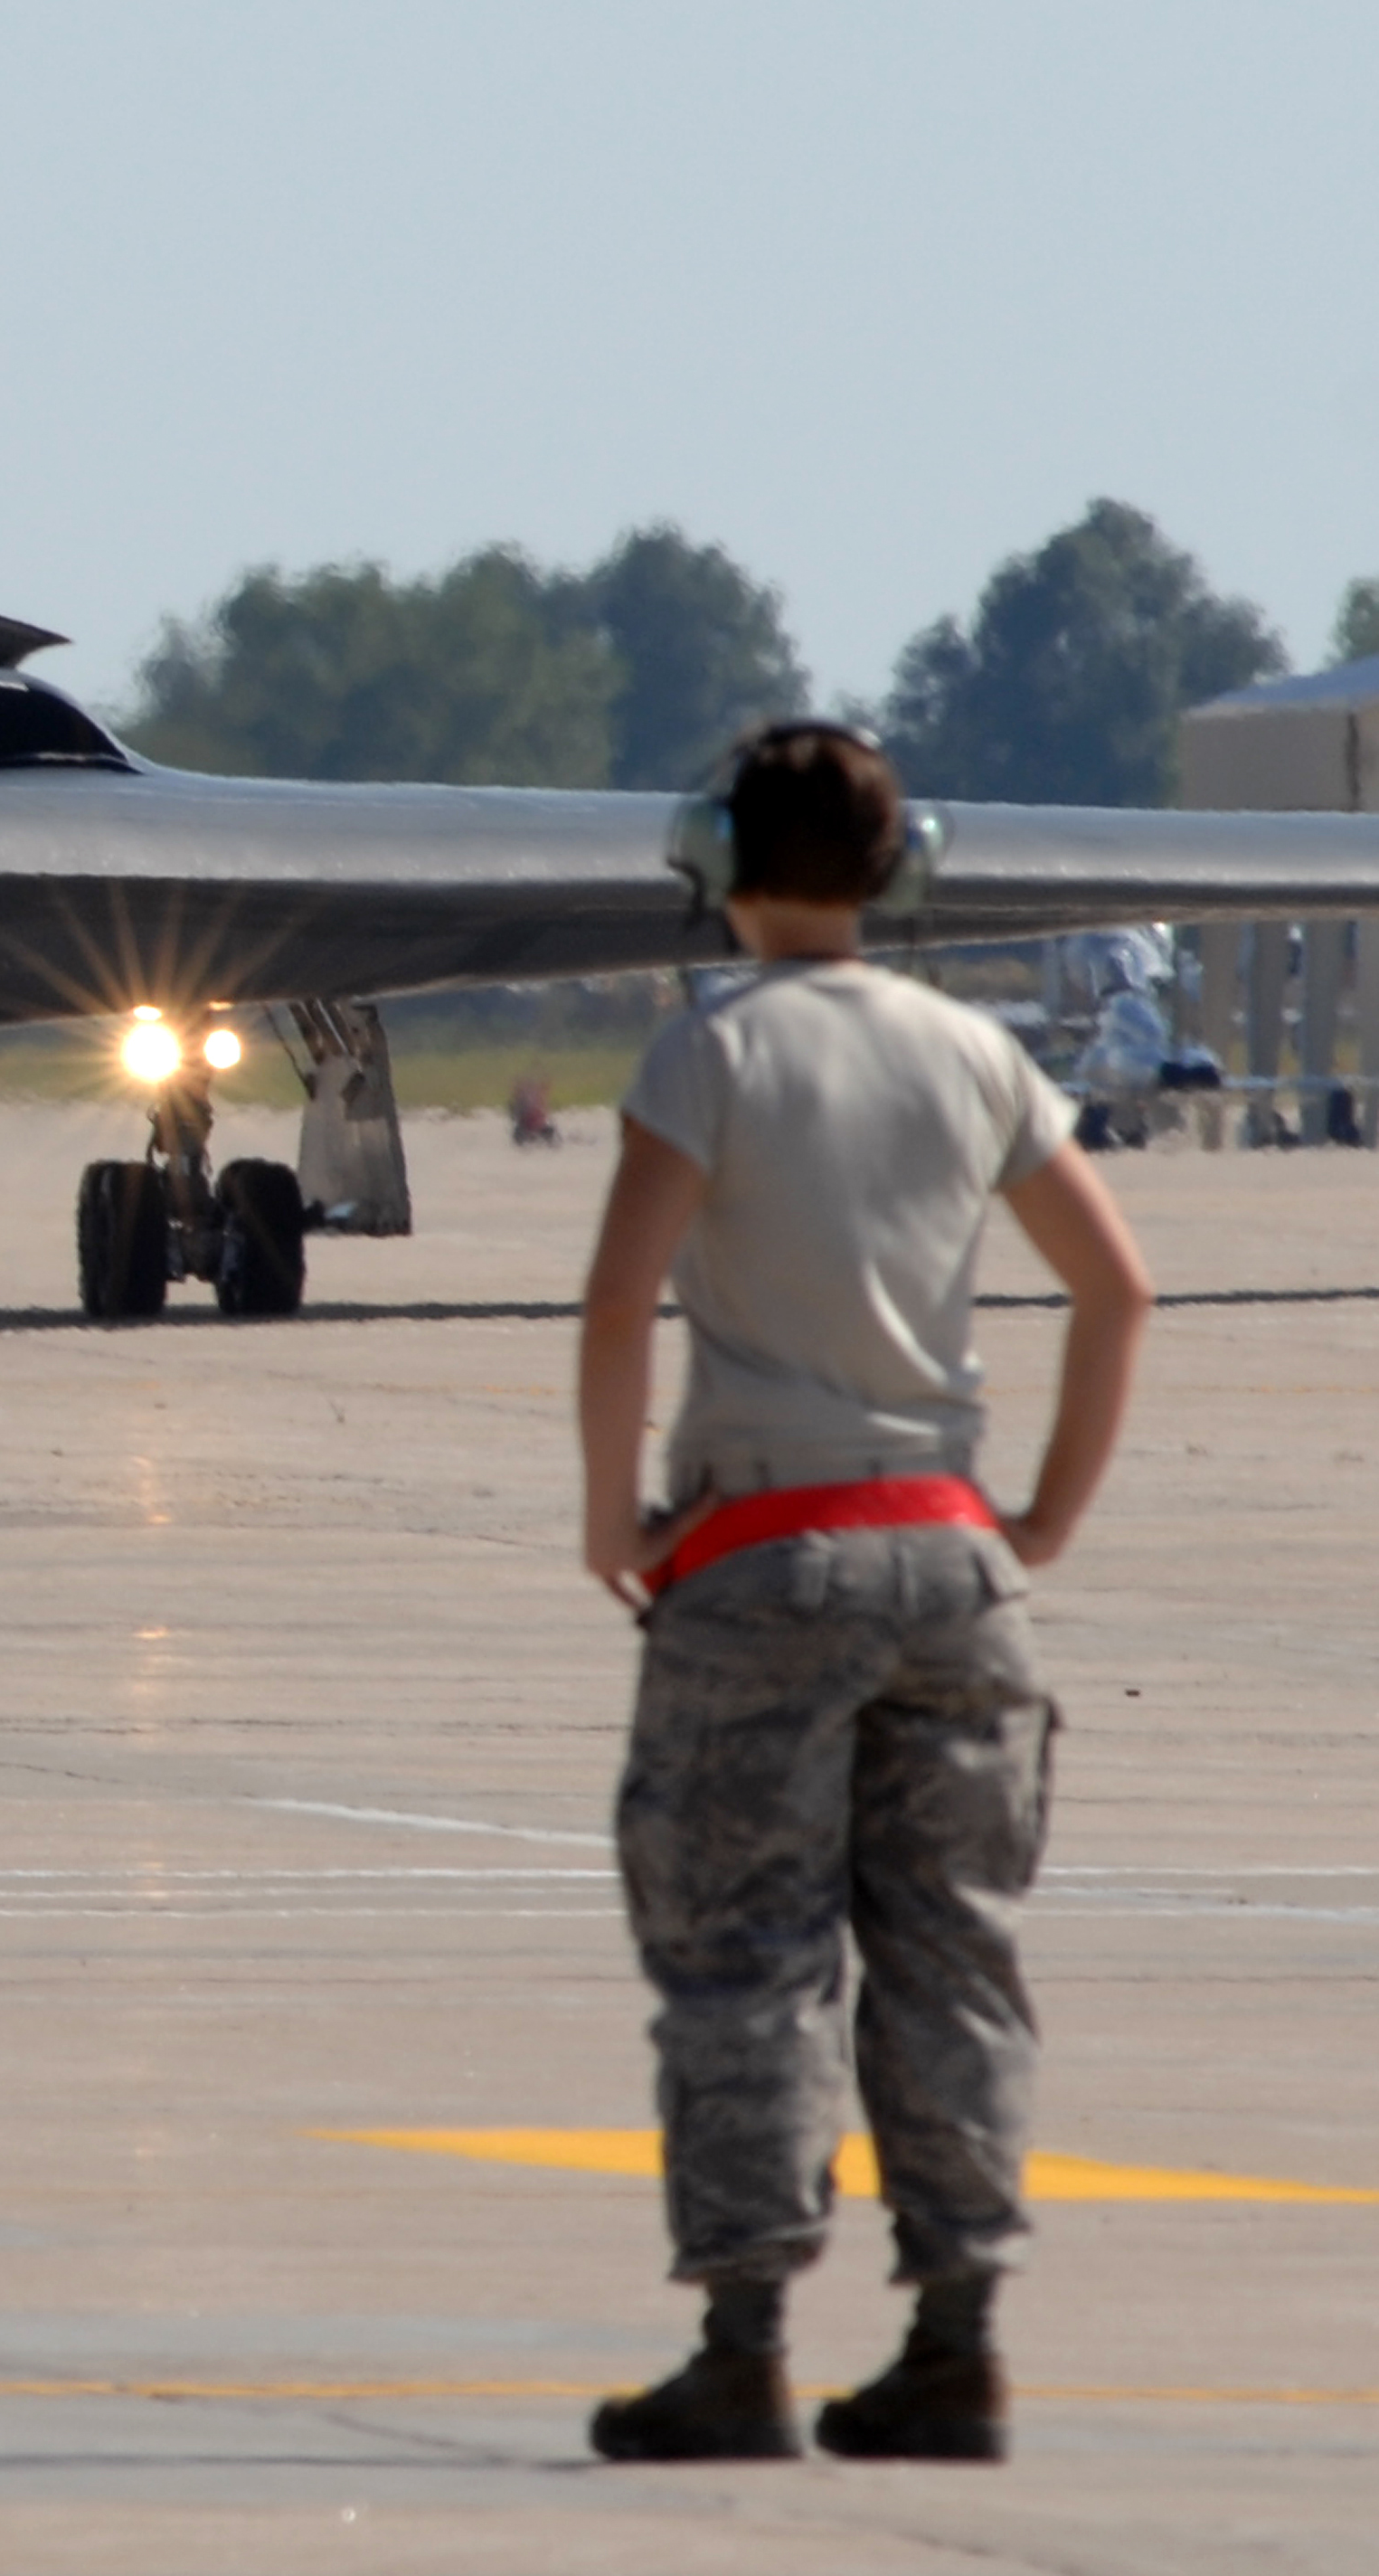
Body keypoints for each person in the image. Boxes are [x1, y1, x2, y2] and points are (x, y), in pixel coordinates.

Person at [574, 722, 1154, 2464]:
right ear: (895, 872)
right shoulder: (973, 1050)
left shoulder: (712, 1050)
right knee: (955, 1963)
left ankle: (744, 2344)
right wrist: (1037, 1516)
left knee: (748, 1960)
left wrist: (616, 1514)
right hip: (954, 1561)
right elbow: (1118, 1292)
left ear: (719, 863)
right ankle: (955, 2341)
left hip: (766, 1556)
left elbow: (619, 1302)